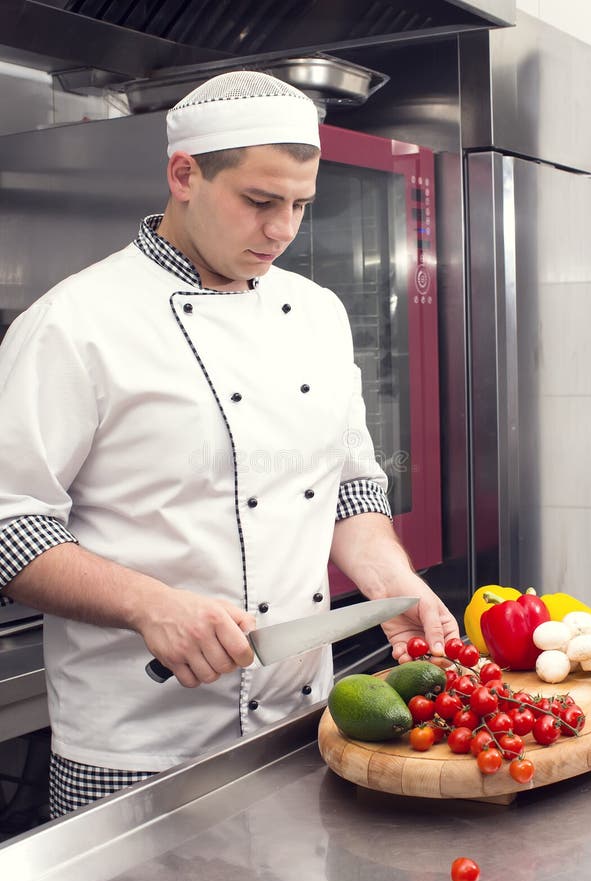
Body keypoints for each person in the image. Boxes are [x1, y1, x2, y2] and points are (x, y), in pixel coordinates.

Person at [0, 71, 458, 817]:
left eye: (300, 205)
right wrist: (150, 605)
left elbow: (348, 484)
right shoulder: (74, 323)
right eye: (258, 201)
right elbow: (8, 520)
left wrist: (388, 586)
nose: (282, 230)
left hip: (303, 721)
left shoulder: (315, 312)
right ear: (184, 174)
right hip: (138, 745)